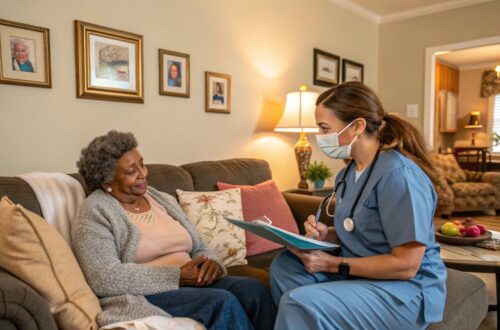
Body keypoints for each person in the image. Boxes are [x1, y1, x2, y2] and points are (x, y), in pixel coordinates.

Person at [270, 82, 446, 330]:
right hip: (361, 272)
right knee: (286, 265)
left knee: (299, 303)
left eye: (324, 128)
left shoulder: (399, 176)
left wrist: (330, 264)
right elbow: (360, 229)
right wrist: (327, 234)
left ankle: (307, 311)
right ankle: (318, 317)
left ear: (357, 126)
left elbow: (406, 265)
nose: (319, 137)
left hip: (405, 290)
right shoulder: (349, 172)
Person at [72, 130, 276, 329]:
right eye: (132, 171)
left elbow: (200, 245)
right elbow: (104, 278)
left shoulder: (161, 198)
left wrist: (210, 262)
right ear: (108, 182)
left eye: (142, 164)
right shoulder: (95, 211)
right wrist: (176, 275)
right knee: (221, 302)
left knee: (255, 291)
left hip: (193, 282)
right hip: (147, 292)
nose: (143, 174)